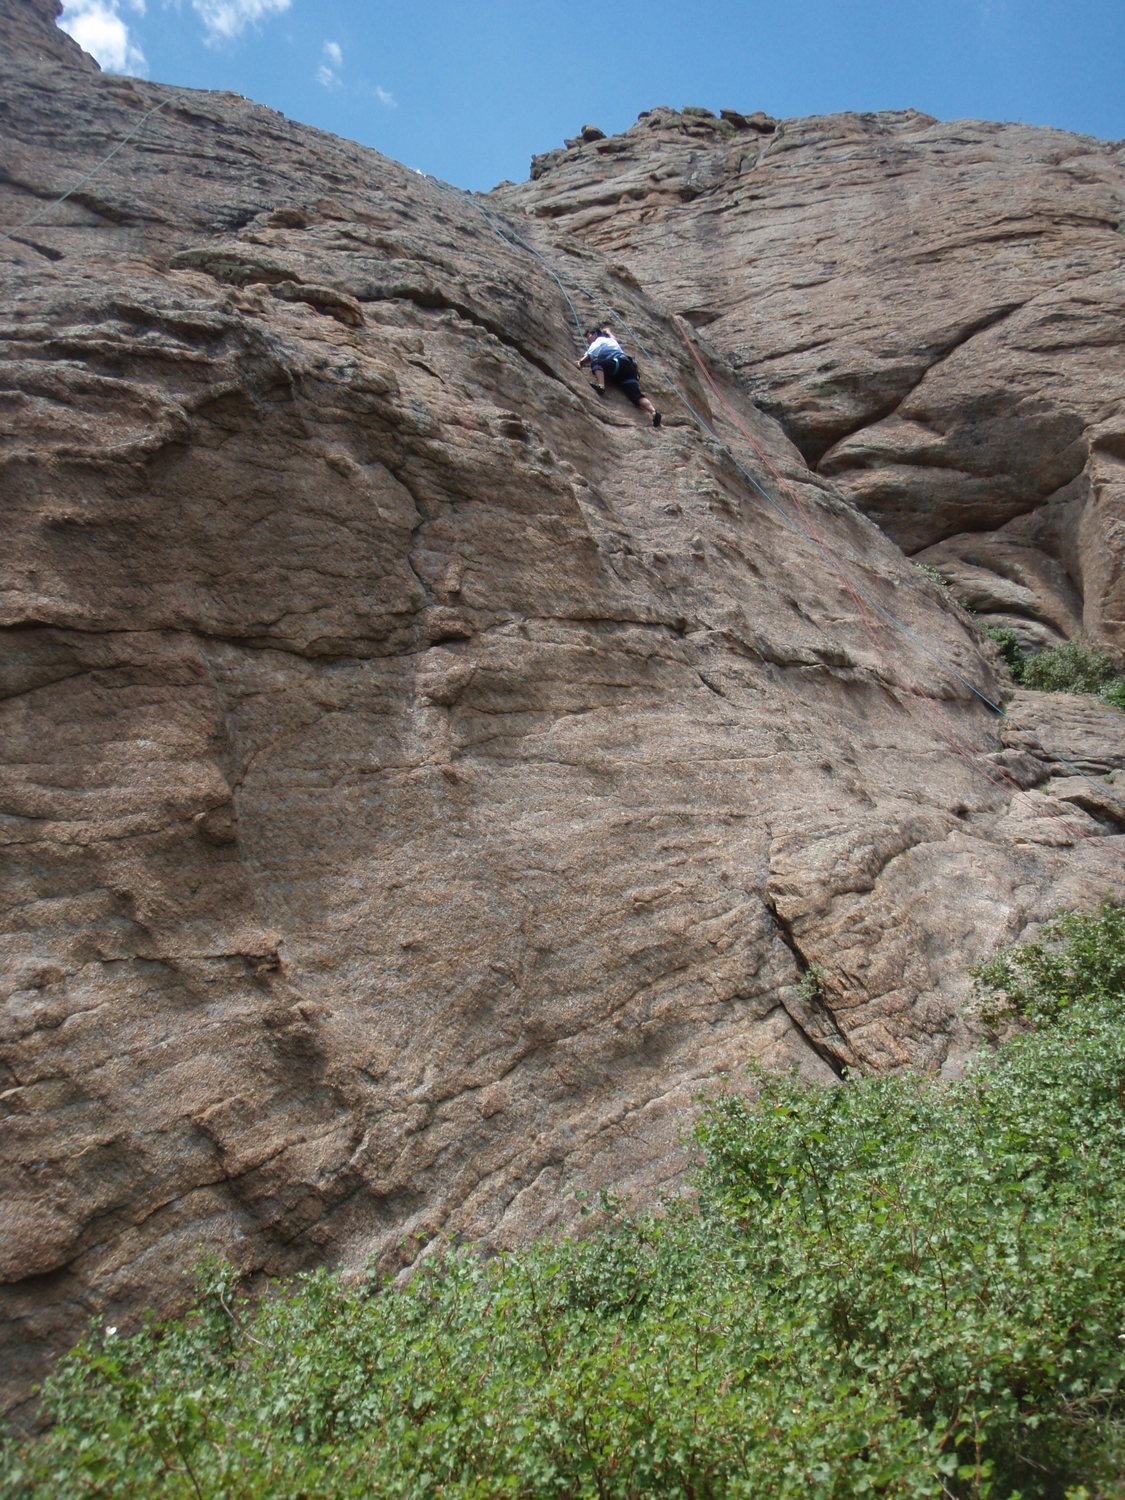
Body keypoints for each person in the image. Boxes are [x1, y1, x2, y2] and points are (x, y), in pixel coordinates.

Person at [578, 327, 662, 427]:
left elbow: (591, 353)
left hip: (618, 364)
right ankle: (653, 412)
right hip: (628, 368)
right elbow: (613, 337)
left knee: (596, 363)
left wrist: (581, 361)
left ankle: (601, 386)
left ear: (595, 334)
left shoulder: (599, 340)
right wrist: (608, 332)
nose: (587, 339)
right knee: (636, 396)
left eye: (588, 336)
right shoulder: (611, 340)